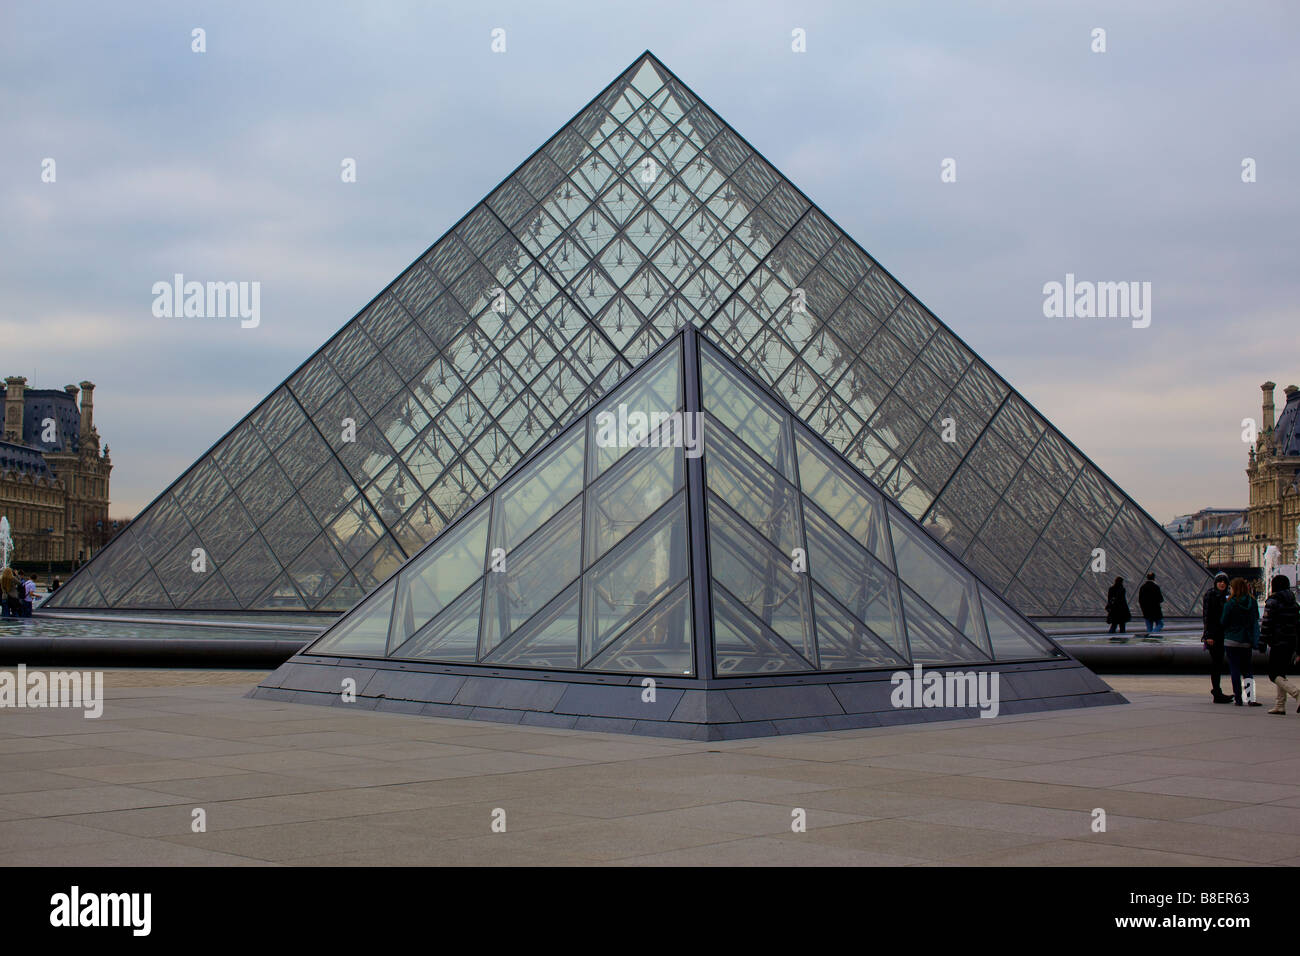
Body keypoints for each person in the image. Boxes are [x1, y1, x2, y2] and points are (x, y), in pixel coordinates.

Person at [1260, 574, 1300, 715]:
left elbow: (1266, 624)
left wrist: (1262, 642)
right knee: (1281, 673)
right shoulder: (1294, 603)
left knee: (1273, 674)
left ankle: (1296, 693)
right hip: (1290, 642)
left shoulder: (1273, 602)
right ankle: (1280, 704)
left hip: (1277, 642)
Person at [1221, 577, 1262, 706]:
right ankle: (1250, 698)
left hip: (1231, 640)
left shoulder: (1230, 603)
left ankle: (1238, 698)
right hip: (1246, 640)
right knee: (1248, 670)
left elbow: (1223, 621)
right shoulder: (1252, 602)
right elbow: (1256, 618)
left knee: (1235, 669)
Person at [1202, 572, 1234, 703]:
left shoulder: (1228, 596)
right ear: (1215, 583)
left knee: (1218, 663)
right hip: (1214, 635)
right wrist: (1208, 635)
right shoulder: (1211, 594)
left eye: (1224, 581)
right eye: (1219, 581)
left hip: (1224, 634)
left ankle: (1218, 691)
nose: (1222, 583)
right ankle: (1216, 692)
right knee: (1216, 664)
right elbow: (1207, 616)